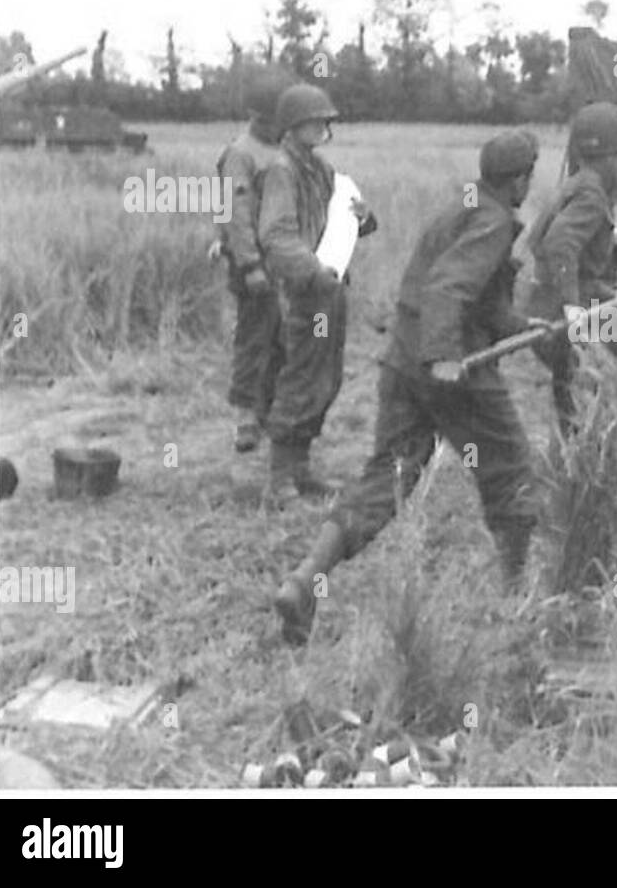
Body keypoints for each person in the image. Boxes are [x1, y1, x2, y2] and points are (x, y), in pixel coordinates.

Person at [274, 132, 542, 645]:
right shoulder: (494, 221)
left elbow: (475, 299)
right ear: (520, 178)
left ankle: (306, 580)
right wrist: (443, 357)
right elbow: (448, 289)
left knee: (386, 479)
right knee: (511, 471)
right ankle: (516, 601)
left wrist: (530, 326)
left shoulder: (465, 206)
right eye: (529, 173)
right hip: (453, 372)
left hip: (403, 363)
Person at [258, 83, 375, 502]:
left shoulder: (321, 171)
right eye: (316, 120)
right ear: (292, 126)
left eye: (326, 121)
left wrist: (365, 217)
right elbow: (276, 235)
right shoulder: (282, 172)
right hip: (303, 292)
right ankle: (280, 476)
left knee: (326, 377)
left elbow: (341, 218)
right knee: (302, 375)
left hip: (329, 289)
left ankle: (300, 466)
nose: (324, 127)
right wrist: (313, 270)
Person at [524, 101, 617, 434]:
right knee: (600, 389)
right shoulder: (591, 194)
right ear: (614, 156)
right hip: (559, 314)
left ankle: (574, 462)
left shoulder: (576, 184)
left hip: (546, 306)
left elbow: (539, 243)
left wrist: (604, 292)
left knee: (573, 395)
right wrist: (573, 305)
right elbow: (559, 245)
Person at [214, 67, 293, 452]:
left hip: (280, 261)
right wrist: (250, 267)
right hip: (254, 265)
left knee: (280, 342)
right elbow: (235, 214)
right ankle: (245, 419)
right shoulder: (241, 154)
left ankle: (267, 412)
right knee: (253, 341)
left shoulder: (279, 152)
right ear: (262, 116)